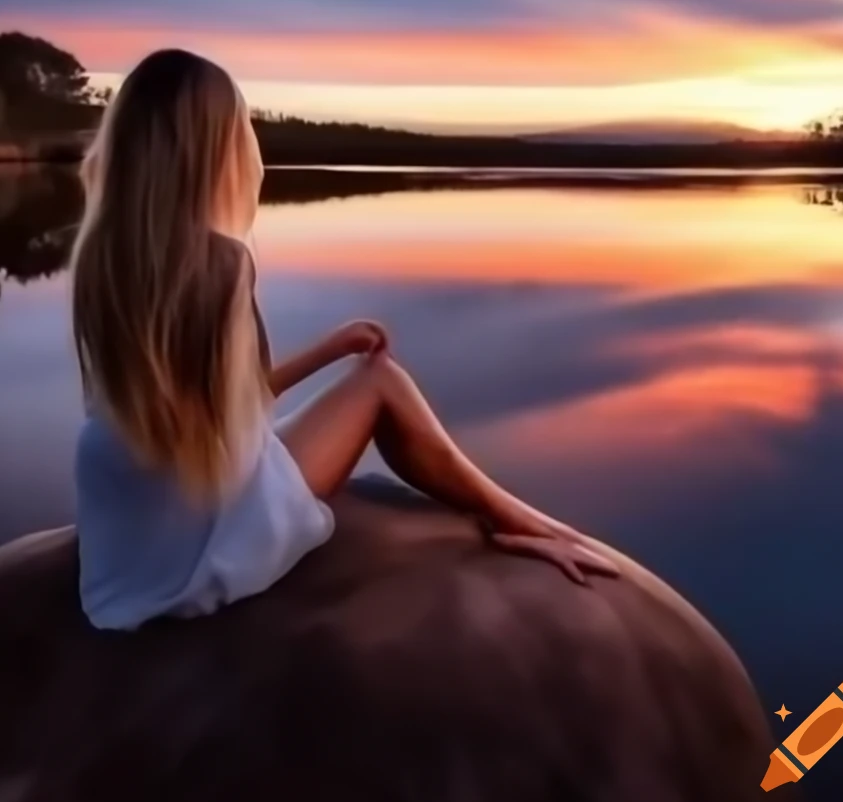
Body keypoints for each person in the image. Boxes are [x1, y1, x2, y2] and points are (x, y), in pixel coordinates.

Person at [71, 48, 619, 631]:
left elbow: (205, 405)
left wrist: (329, 348)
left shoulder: (100, 256)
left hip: (138, 517)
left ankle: (514, 514)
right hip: (208, 525)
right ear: (212, 150)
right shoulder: (220, 263)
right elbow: (242, 408)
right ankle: (517, 519)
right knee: (381, 384)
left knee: (357, 383)